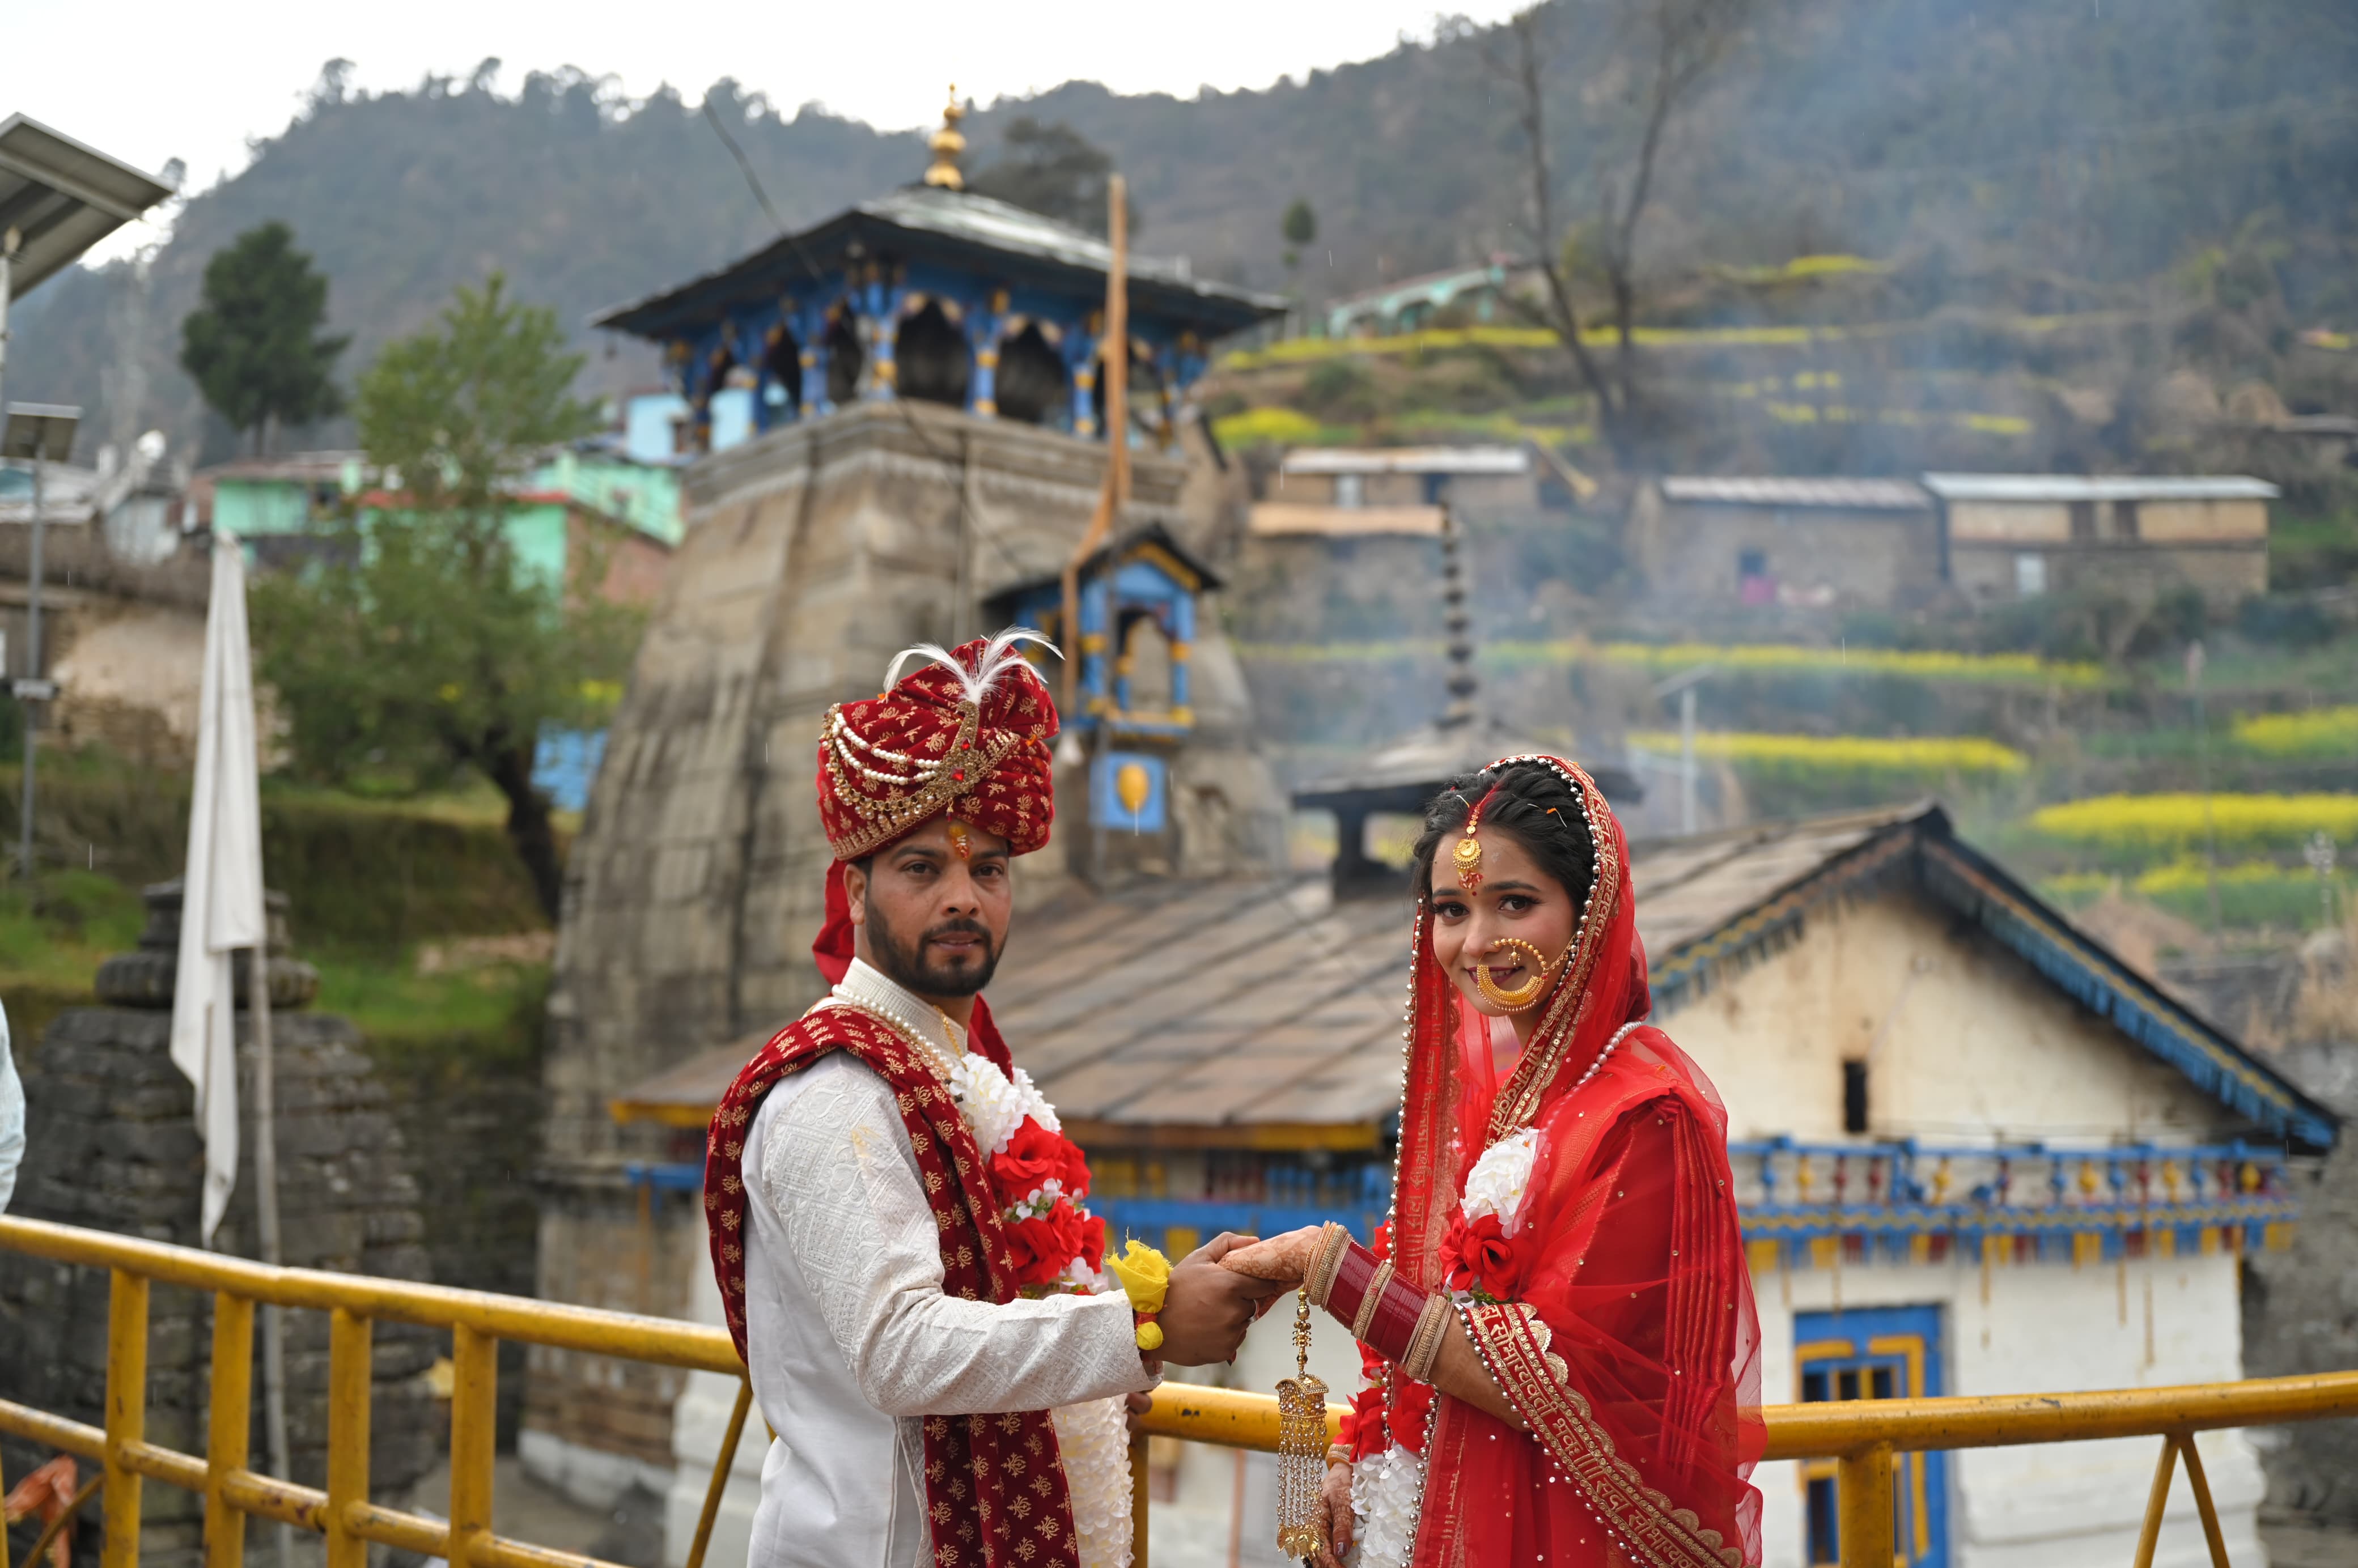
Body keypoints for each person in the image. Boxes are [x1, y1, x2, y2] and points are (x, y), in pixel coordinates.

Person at [702, 631, 1283, 1568]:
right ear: (855, 892)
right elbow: (900, 1349)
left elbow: (1015, 1306)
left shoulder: (969, 1077)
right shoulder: (837, 1088)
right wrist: (1136, 1325)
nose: (963, 898)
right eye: (923, 870)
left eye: (989, 871)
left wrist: (1141, 1326)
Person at [1222, 755, 1764, 1568]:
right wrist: (1349, 1459)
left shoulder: (1647, 1118)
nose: (1478, 943)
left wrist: (1323, 1265)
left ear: (1591, 913)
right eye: (1451, 910)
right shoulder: (1495, 1102)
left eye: (1515, 902)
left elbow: (1553, 1381)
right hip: (1414, 1519)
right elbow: (1428, 1339)